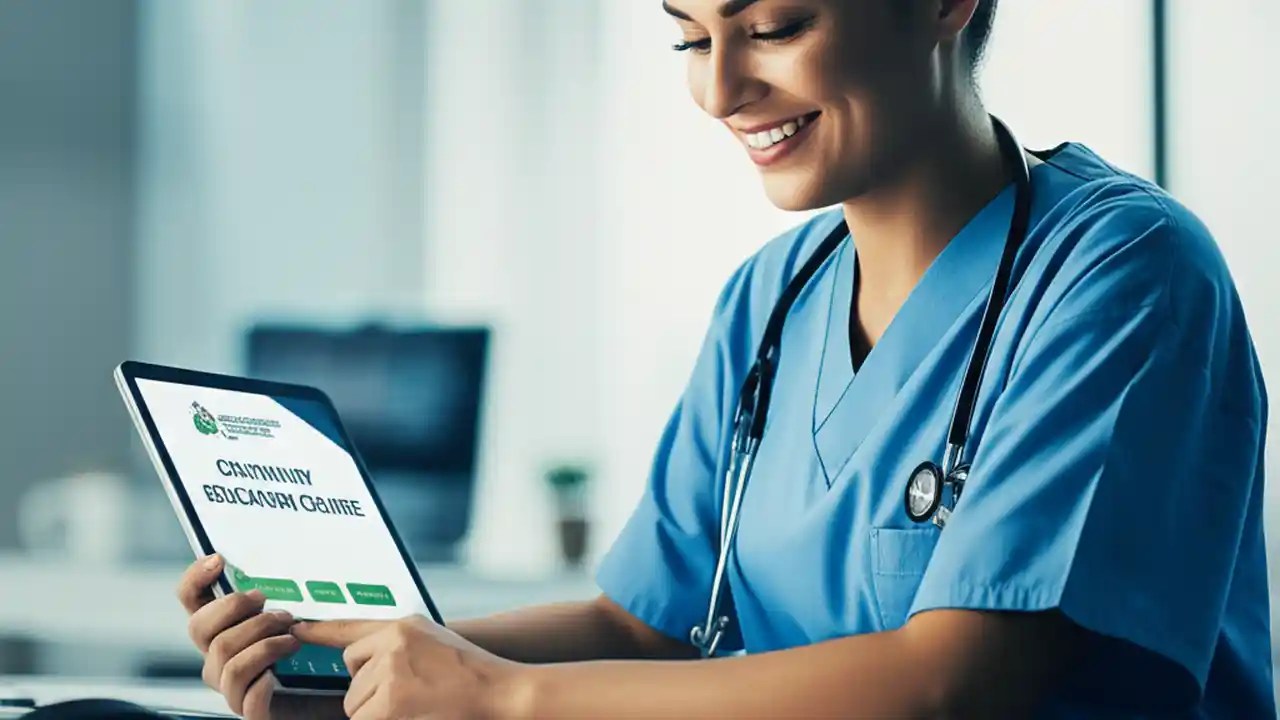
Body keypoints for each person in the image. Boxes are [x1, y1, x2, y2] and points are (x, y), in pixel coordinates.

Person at [175, 1, 1274, 717]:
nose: (718, 90)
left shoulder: (1123, 271)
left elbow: (951, 681)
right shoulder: (772, 297)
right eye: (691, 38)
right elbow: (642, 625)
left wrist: (499, 701)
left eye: (775, 25)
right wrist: (368, 653)